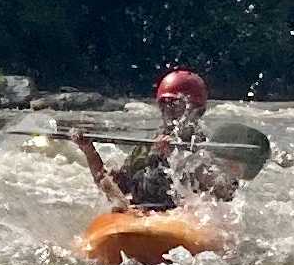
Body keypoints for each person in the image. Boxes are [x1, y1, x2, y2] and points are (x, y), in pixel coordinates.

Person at [74, 68, 242, 210]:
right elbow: (111, 186)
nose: (169, 110)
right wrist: (89, 150)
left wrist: (177, 158)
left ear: (197, 110)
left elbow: (227, 191)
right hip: (143, 215)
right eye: (164, 103)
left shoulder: (207, 149)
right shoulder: (147, 147)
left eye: (176, 103)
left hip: (182, 217)